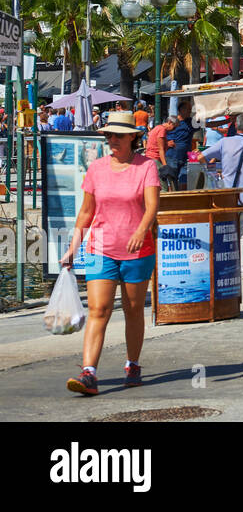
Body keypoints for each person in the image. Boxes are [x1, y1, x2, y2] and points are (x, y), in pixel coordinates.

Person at [61, 112, 160, 395]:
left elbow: (152, 206)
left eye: (118, 135)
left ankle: (133, 363)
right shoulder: (97, 168)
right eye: (108, 135)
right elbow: (86, 212)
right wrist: (73, 248)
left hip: (138, 251)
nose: (112, 140)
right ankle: (89, 373)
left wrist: (142, 230)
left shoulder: (146, 167)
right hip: (99, 248)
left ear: (132, 137)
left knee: (133, 310)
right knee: (98, 310)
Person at [199, 112, 243, 278]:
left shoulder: (224, 142)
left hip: (227, 195)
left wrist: (212, 173)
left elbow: (200, 157)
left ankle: (227, 267)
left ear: (236, 125)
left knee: (226, 231)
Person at [162, 98, 195, 191]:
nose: (190, 111)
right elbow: (156, 135)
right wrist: (166, 143)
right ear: (181, 110)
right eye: (188, 109)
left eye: (190, 109)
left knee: (184, 181)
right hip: (172, 157)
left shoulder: (191, 122)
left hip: (185, 158)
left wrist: (228, 120)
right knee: (172, 183)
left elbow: (208, 124)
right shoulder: (172, 121)